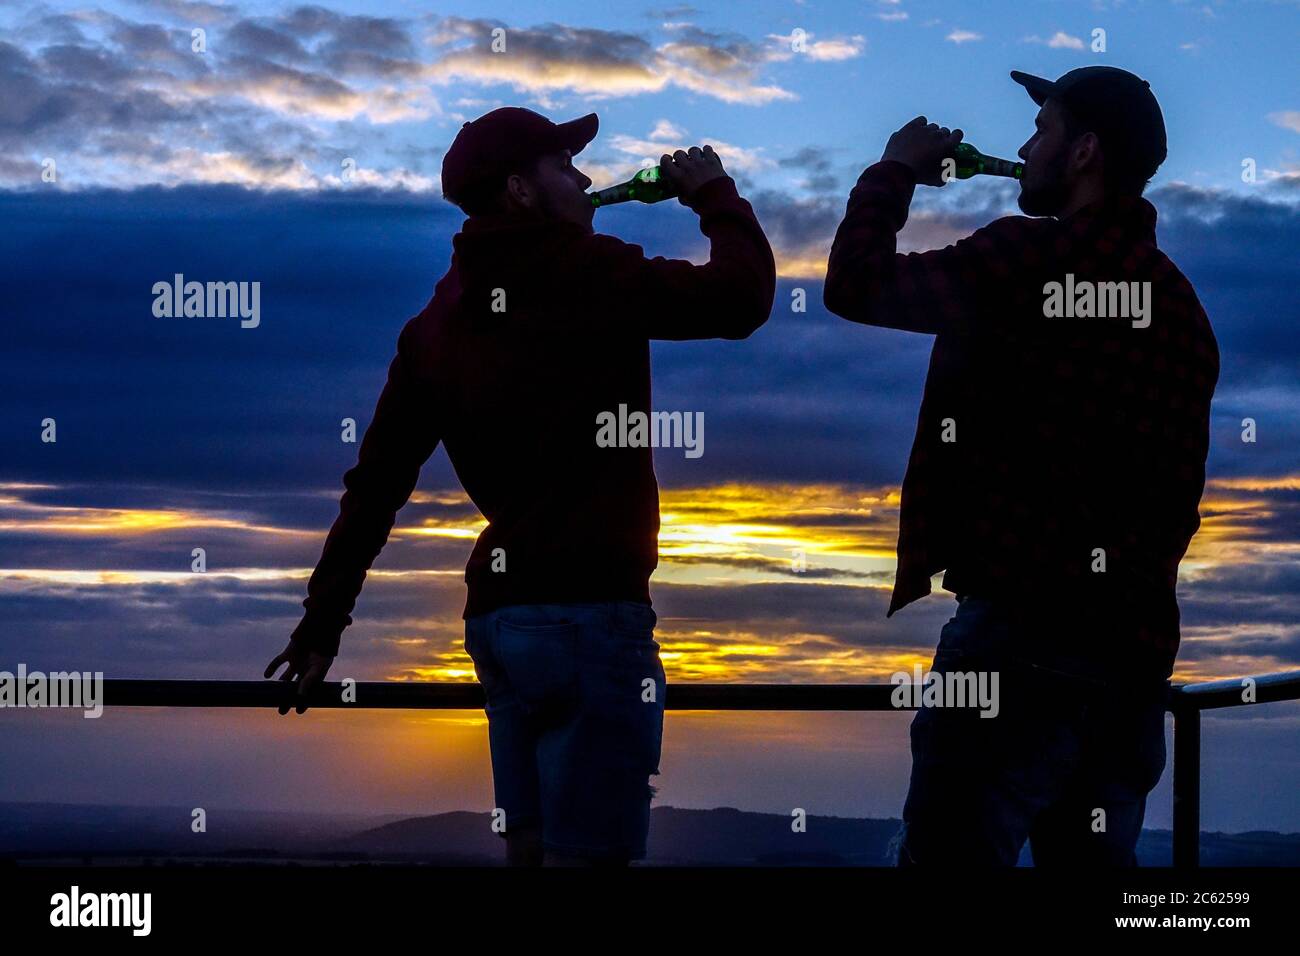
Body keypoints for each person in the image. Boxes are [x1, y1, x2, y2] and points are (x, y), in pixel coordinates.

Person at [264, 107, 776, 866]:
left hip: (503, 624)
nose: (585, 179)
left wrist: (320, 628)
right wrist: (715, 195)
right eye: (565, 167)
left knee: (531, 856)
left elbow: (375, 487)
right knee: (592, 859)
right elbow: (741, 299)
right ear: (521, 191)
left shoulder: (435, 322)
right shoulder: (586, 272)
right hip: (590, 619)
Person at [823, 67, 1219, 866]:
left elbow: (856, 284)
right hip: (1131, 661)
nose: (1021, 149)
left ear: (1083, 153)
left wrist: (895, 168)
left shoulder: (1023, 260)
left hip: (1016, 644)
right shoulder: (1179, 305)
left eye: (1040, 130)